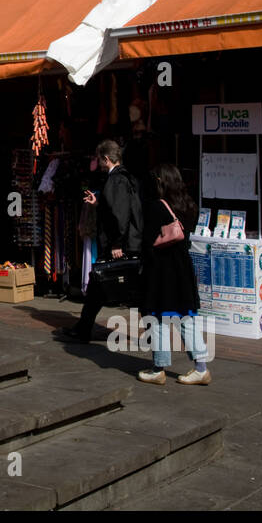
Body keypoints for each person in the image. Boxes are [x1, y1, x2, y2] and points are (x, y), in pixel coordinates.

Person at [55, 139, 143, 344]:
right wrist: (99, 203)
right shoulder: (128, 178)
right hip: (125, 242)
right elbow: (119, 208)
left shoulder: (116, 180)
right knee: (101, 287)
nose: (99, 164)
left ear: (105, 158)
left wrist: (117, 243)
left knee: (133, 293)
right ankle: (83, 328)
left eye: (99, 160)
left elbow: (120, 214)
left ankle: (83, 329)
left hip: (118, 244)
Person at [137, 164, 210, 385]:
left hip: (160, 270)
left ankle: (158, 368)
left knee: (155, 316)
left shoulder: (156, 207)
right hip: (183, 269)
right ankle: (201, 367)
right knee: (187, 317)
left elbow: (147, 241)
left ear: (160, 181)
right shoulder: (189, 205)